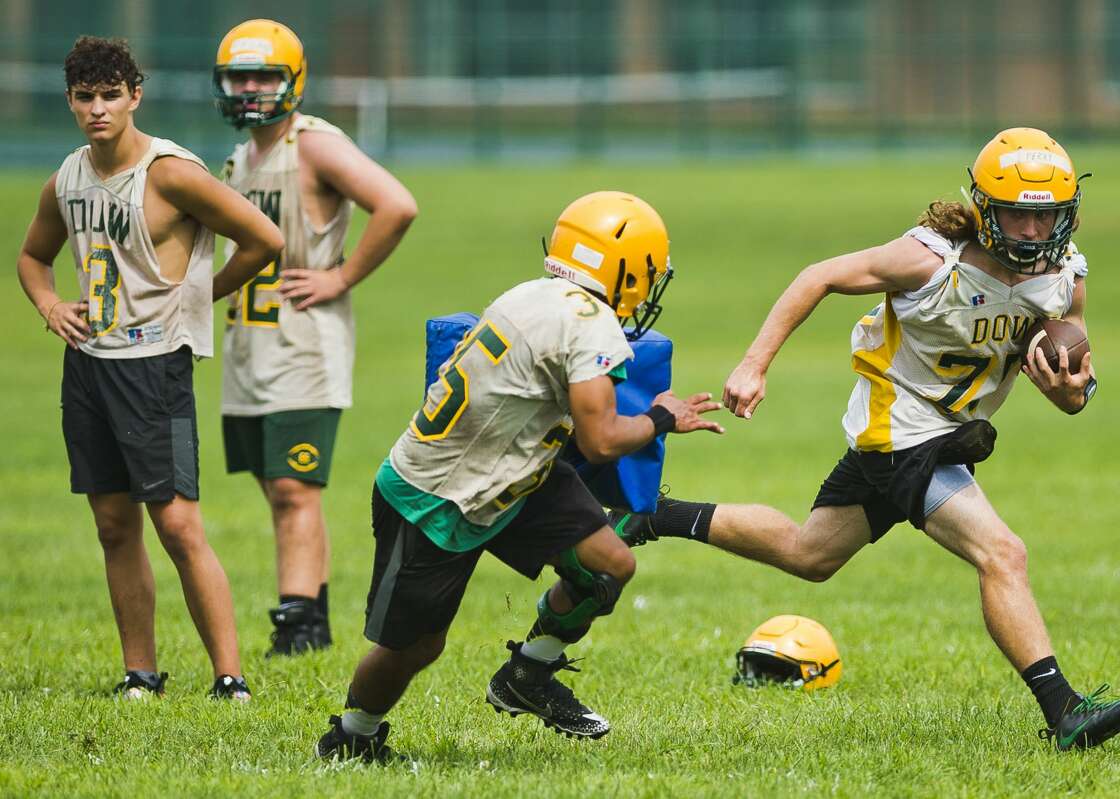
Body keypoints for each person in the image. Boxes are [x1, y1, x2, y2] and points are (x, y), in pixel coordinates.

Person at [610, 128, 1120, 751]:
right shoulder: (930, 259)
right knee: (1003, 553)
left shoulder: (1066, 277)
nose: (1032, 231)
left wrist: (1068, 392)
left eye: (1045, 216)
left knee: (809, 554)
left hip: (941, 432)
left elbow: (1074, 390)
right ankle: (1065, 712)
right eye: (1016, 214)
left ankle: (649, 517)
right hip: (898, 425)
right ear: (983, 208)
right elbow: (819, 276)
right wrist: (754, 363)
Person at [315, 191, 724, 762]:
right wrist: (661, 418)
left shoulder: (530, 292)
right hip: (439, 495)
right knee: (416, 647)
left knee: (609, 564)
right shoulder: (591, 322)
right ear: (626, 268)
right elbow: (601, 440)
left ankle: (526, 676)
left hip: (516, 469)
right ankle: (352, 736)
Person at [16, 36, 284, 699]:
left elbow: (265, 239)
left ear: (135, 95)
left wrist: (203, 293)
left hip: (153, 367)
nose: (98, 109)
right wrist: (50, 303)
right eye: (85, 97)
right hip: (87, 368)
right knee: (112, 523)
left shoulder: (171, 173)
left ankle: (230, 677)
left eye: (111, 95)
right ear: (72, 103)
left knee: (177, 524)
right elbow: (32, 257)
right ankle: (140, 672)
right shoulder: (69, 176)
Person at [212, 19, 419, 656]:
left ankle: (298, 626)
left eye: (265, 76)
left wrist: (341, 276)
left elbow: (397, 203)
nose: (251, 89)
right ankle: (312, 614)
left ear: (293, 81)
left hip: (303, 345)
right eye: (239, 77)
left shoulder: (314, 145)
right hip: (249, 345)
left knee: (294, 489)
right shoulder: (238, 157)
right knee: (278, 489)